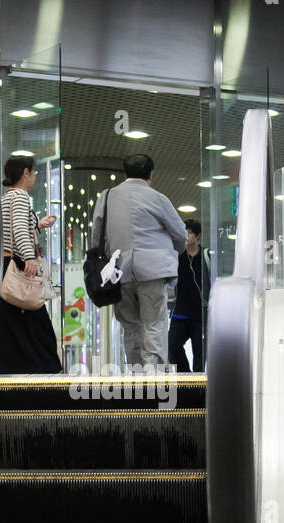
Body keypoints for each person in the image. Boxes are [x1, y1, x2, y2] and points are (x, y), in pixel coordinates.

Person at [90, 153, 187, 367]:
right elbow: (181, 235)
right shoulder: (158, 198)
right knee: (154, 325)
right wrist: (171, 253)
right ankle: (153, 382)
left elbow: (96, 236)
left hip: (119, 272)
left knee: (131, 326)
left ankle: (136, 379)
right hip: (153, 272)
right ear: (150, 175)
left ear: (124, 174)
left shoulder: (106, 197)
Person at [0, 157, 61, 374]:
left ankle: (9, 368)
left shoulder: (6, 197)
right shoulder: (21, 196)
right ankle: (45, 369)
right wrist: (29, 257)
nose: (34, 177)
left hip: (5, 265)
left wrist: (38, 224)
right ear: (25, 173)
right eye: (33, 173)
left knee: (10, 323)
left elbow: (13, 227)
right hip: (18, 264)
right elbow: (19, 230)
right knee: (36, 319)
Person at [168, 218, 210, 371]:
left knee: (200, 355)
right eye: (184, 232)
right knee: (171, 346)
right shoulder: (178, 258)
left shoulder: (206, 257)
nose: (186, 235)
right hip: (180, 313)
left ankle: (197, 390)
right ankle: (185, 378)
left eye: (190, 232)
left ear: (197, 236)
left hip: (200, 315)